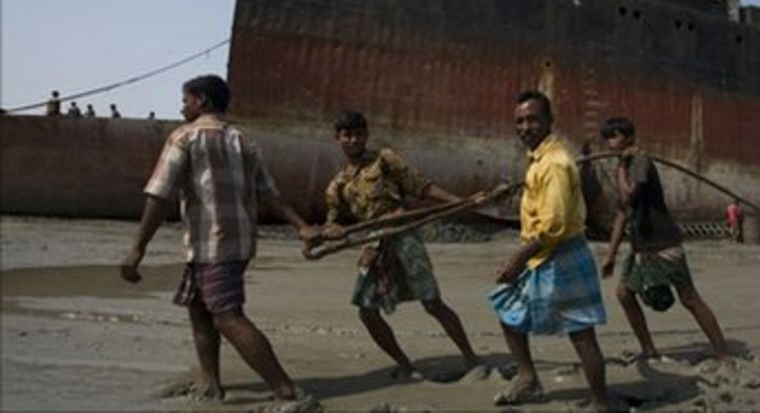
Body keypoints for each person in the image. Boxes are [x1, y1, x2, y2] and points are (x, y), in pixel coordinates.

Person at [119, 74, 323, 412]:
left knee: (227, 316)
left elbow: (158, 194)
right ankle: (210, 385)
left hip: (212, 243)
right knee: (199, 310)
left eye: (185, 100)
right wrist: (301, 226)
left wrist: (137, 248)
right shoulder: (242, 140)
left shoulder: (184, 137)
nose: (182, 107)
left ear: (201, 100)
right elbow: (269, 193)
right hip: (231, 244)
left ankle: (285, 390)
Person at [322, 110, 486, 380]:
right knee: (367, 312)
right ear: (337, 138)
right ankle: (405, 366)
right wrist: (331, 231)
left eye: (359, 134)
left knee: (432, 302)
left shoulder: (384, 159)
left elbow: (422, 187)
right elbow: (331, 222)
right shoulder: (337, 185)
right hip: (373, 245)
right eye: (347, 135)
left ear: (366, 135)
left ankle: (472, 359)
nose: (354, 140)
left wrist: (461, 202)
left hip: (404, 235)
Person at [490, 91, 610, 410]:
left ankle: (601, 404)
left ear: (549, 121)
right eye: (519, 121)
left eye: (532, 119)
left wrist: (517, 259)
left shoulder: (555, 163)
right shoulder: (540, 159)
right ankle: (528, 379)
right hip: (542, 254)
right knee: (507, 310)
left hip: (562, 255)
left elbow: (553, 225)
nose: (525, 127)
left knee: (581, 334)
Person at [599, 117, 729, 364]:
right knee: (624, 294)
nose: (609, 143)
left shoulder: (640, 161)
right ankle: (648, 349)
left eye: (614, 137)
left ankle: (723, 354)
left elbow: (629, 194)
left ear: (629, 137)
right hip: (642, 245)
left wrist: (620, 167)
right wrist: (611, 256)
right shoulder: (626, 166)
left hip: (663, 241)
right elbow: (622, 214)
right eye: (607, 138)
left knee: (689, 298)